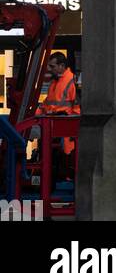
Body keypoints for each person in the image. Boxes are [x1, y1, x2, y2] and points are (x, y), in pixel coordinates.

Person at [37, 51, 79, 184]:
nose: (50, 69)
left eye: (52, 66)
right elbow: (47, 105)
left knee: (64, 163)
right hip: (53, 128)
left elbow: (77, 109)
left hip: (65, 131)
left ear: (61, 66)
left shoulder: (72, 81)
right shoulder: (55, 82)